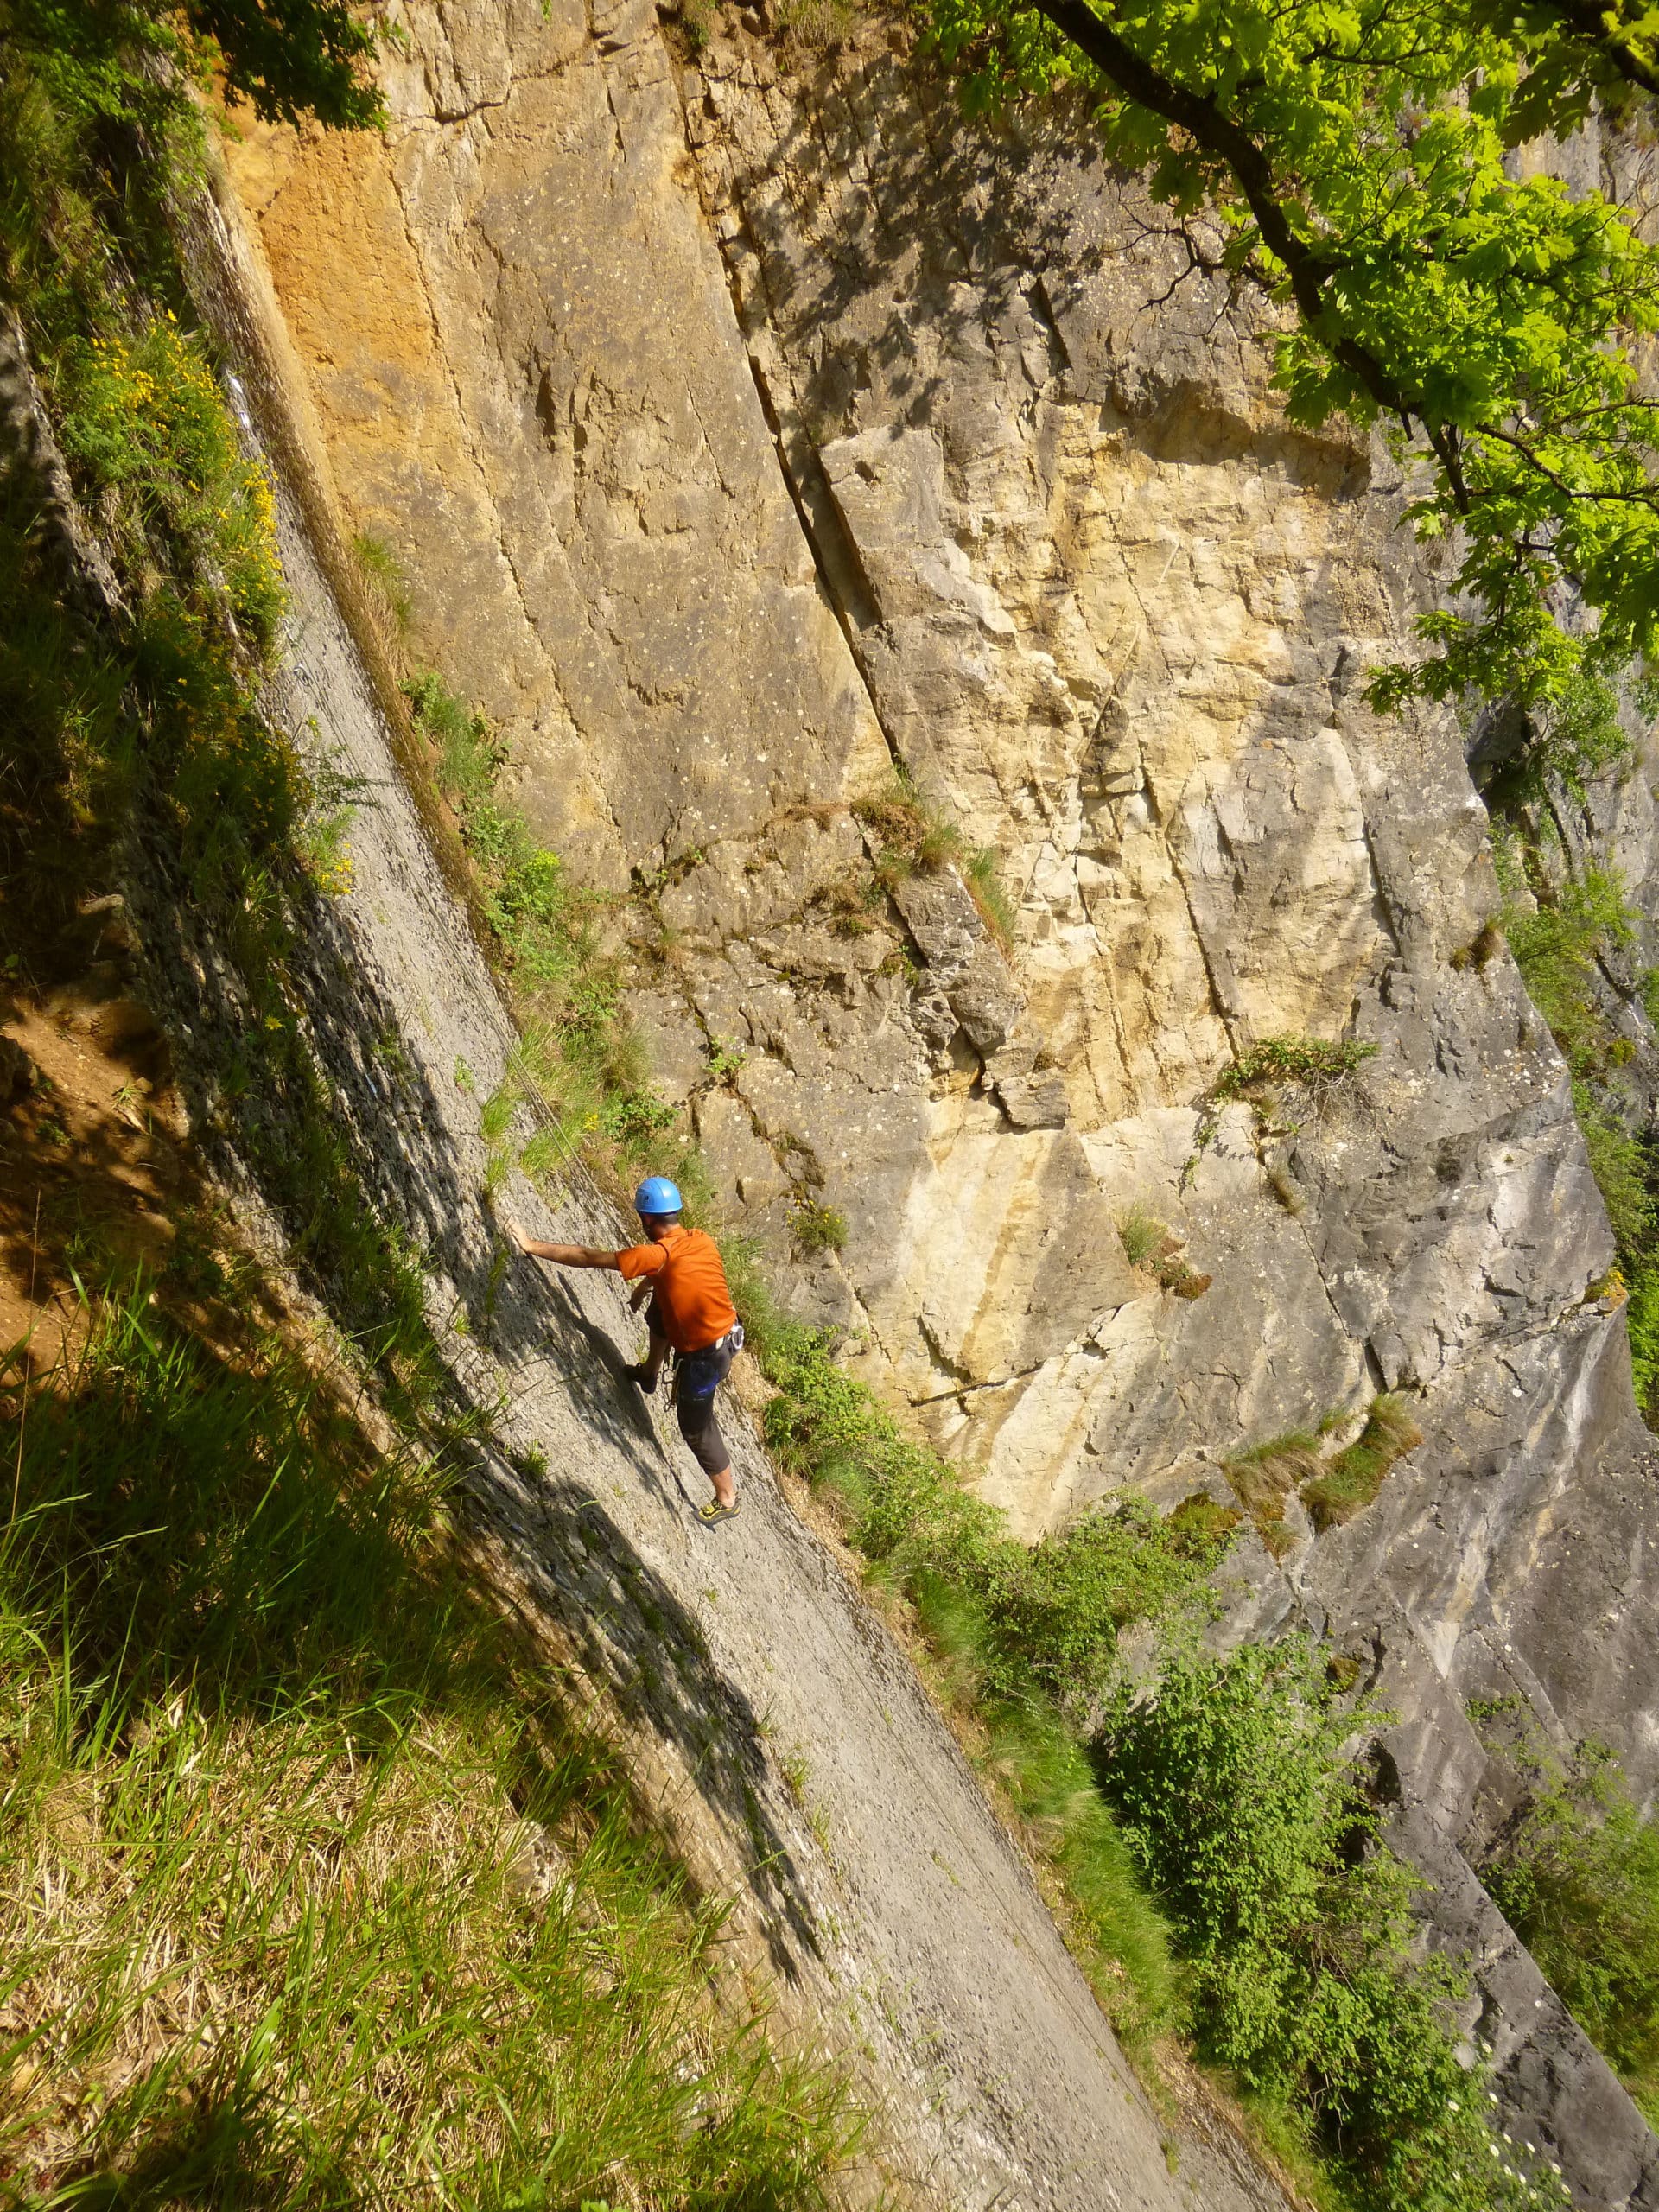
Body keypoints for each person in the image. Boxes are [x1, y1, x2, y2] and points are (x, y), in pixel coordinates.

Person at [510, 1177, 743, 1524]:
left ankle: (727, 1498)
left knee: (696, 1427)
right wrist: (644, 1288)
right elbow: (675, 1270)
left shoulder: (654, 1254)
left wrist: (531, 1244)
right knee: (659, 1311)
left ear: (647, 1220)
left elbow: (589, 1258)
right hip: (730, 1332)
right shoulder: (699, 1239)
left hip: (708, 1358)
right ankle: (649, 1373)